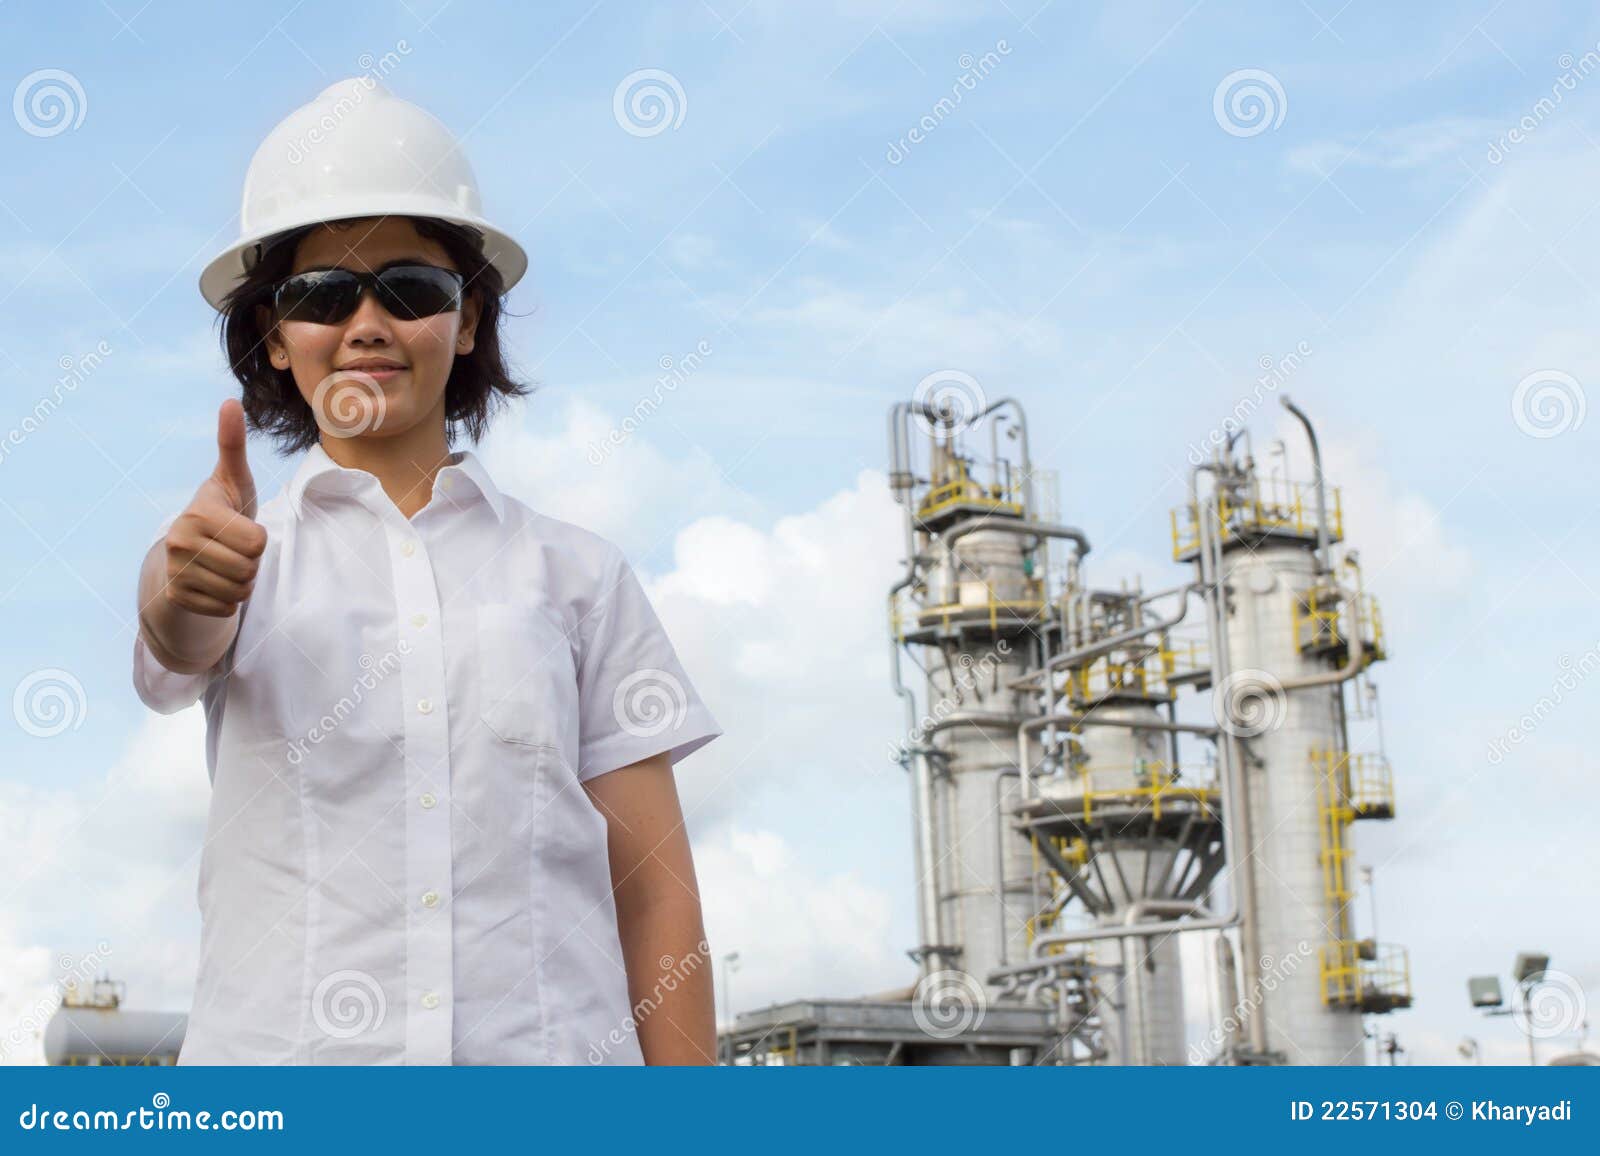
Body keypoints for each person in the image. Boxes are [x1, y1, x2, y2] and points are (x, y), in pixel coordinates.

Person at [132, 77, 722, 1065]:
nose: (367, 324)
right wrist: (181, 588)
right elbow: (178, 634)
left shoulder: (580, 576)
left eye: (410, 288)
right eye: (322, 295)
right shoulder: (229, 554)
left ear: (471, 319)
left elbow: (656, 890)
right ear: (273, 336)